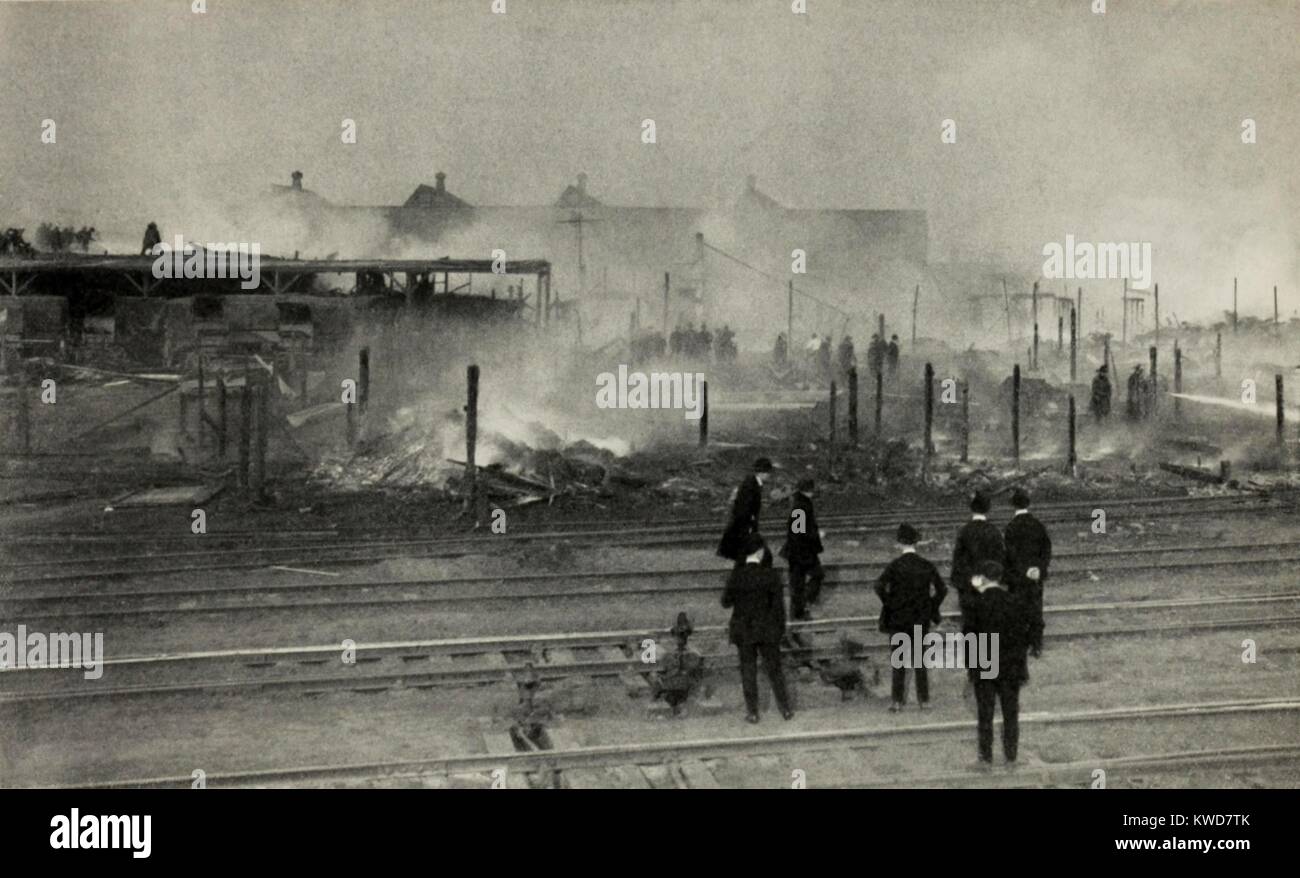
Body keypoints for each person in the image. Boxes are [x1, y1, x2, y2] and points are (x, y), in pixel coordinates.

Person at [965, 560, 1032, 766]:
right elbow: (1025, 633)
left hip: (985, 660)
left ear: (983, 578)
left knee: (985, 713)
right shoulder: (1014, 601)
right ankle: (1011, 756)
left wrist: (972, 668)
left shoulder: (975, 603)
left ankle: (985, 758)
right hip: (1011, 664)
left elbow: (969, 636)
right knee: (1010, 712)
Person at [722, 533, 794, 723]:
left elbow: (725, 603)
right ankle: (785, 709)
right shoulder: (771, 575)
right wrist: (780, 631)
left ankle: (753, 713)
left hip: (744, 631)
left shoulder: (737, 575)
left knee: (748, 670)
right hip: (768, 630)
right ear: (761, 552)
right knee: (775, 670)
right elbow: (779, 609)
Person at [875, 523, 947, 711]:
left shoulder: (894, 566)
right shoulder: (926, 565)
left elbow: (878, 586)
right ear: (917, 542)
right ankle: (924, 701)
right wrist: (931, 607)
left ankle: (897, 702)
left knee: (898, 661)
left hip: (898, 618)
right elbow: (942, 589)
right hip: (920, 619)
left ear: (899, 543)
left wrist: (890, 603)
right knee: (920, 661)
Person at [1003, 489, 1051, 657]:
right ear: (1029, 504)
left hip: (1017, 578)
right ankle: (1036, 645)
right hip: (1036, 577)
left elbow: (1010, 554)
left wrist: (1022, 571)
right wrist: (1039, 569)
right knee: (1036, 610)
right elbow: (1046, 550)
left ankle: (1020, 645)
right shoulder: (1038, 525)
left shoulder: (1011, 527)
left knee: (1017, 612)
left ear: (1013, 505)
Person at [951, 491, 1006, 632]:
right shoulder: (994, 531)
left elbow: (958, 559)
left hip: (968, 582)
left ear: (972, 509)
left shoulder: (964, 531)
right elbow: (999, 558)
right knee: (990, 621)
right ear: (987, 509)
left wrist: (962, 581)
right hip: (989, 580)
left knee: (970, 622)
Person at [780, 477, 825, 620]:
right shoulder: (801, 506)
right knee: (815, 576)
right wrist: (816, 534)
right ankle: (802, 607)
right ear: (808, 490)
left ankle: (798, 613)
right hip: (802, 550)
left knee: (797, 584)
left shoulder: (801, 503)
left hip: (798, 550)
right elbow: (797, 530)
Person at [717, 457, 773, 564]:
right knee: (749, 553)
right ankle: (743, 576)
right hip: (744, 526)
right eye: (768, 473)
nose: (769, 476)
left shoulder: (752, 483)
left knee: (744, 554)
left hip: (744, 525)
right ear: (762, 473)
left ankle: (740, 575)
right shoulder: (751, 485)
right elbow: (744, 507)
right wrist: (749, 525)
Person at [650, 612, 707, 716]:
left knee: (654, 676)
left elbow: (663, 671)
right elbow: (699, 674)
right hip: (687, 687)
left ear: (674, 637)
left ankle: (662, 702)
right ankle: (681, 705)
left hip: (672, 686)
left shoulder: (667, 655)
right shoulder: (695, 654)